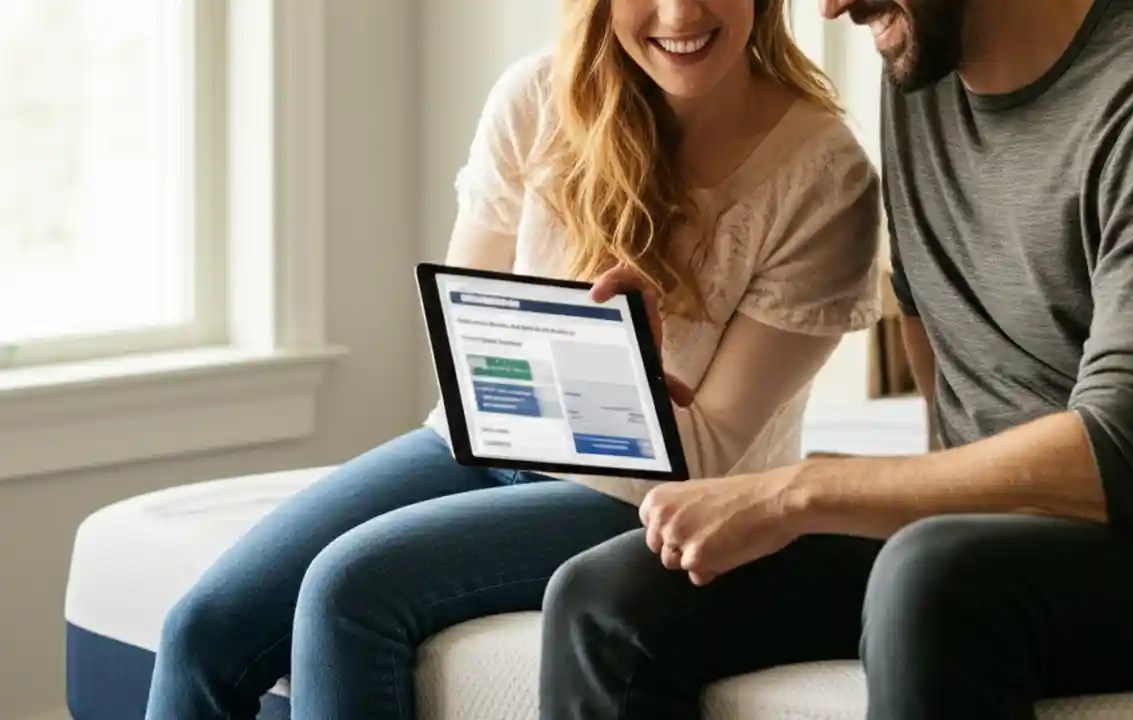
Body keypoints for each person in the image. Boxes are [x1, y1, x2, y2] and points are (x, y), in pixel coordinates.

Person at [540, 0, 1133, 718]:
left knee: (930, 574)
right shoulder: (922, 72)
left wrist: (803, 491)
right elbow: (939, 344)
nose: (830, 9)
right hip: (996, 526)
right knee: (608, 598)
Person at [144, 0, 883, 718]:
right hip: (481, 442)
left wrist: (628, 376)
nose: (679, 13)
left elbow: (712, 450)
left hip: (644, 493)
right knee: (203, 629)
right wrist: (595, 362)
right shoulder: (536, 97)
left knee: (349, 588)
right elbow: (464, 348)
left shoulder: (824, 176)